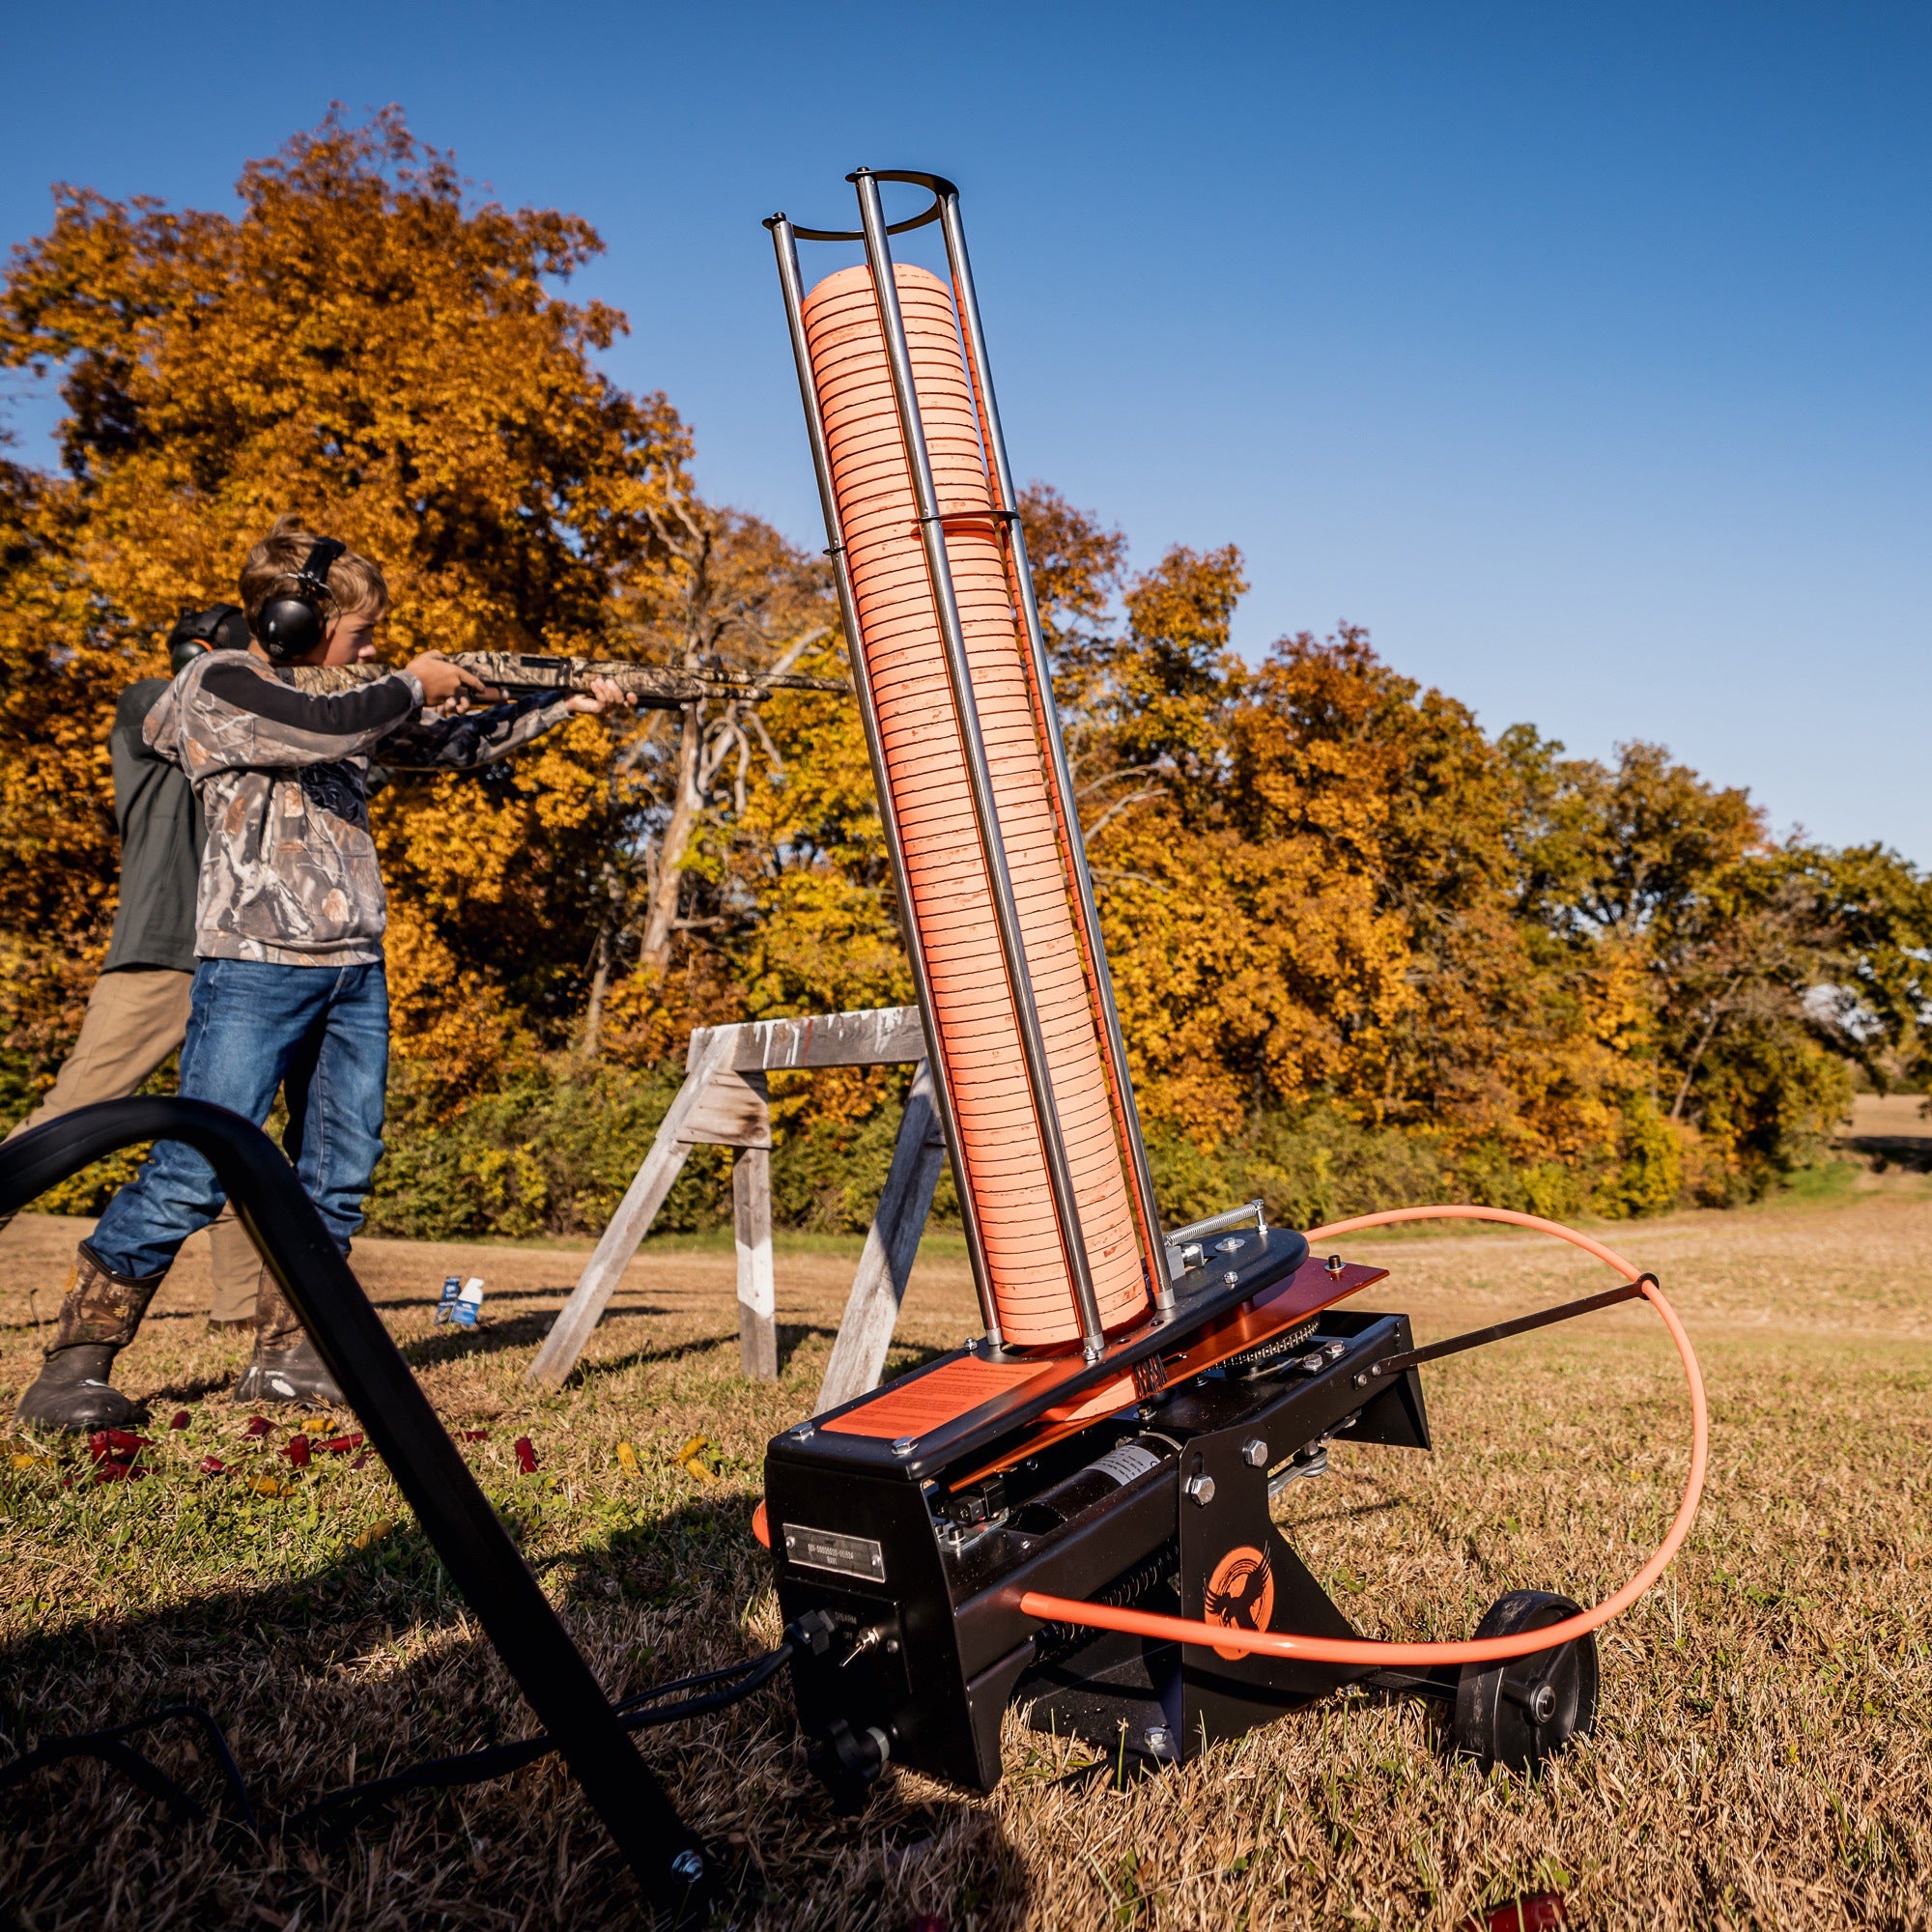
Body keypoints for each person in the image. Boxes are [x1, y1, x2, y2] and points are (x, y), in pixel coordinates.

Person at [13, 517, 634, 1432]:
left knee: (335, 1175)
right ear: (295, 623)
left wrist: (563, 704)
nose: (374, 649)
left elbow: (449, 745)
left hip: (353, 969)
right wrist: (412, 681)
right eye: (362, 633)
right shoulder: (217, 686)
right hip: (253, 967)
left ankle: (290, 1359)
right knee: (196, 1169)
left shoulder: (356, 704)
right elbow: (322, 723)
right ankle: (73, 1367)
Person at [0, 607, 264, 1327]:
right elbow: (183, 700)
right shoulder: (146, 704)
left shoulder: (256, 739)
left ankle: (241, 1309)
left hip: (238, 956)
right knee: (76, 1112)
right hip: (159, 953)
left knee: (238, 1132)